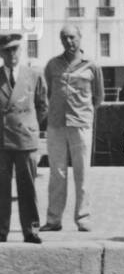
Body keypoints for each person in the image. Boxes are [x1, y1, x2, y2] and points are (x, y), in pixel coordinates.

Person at [42, 24, 103, 232]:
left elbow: (98, 96)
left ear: (80, 38)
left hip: (81, 123)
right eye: (65, 38)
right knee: (57, 173)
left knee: (83, 173)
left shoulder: (91, 65)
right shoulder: (52, 65)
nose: (69, 41)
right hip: (56, 124)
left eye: (72, 37)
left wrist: (83, 112)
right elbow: (49, 92)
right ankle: (53, 219)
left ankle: (83, 217)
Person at [0, 32, 47, 243]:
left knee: (27, 186)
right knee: (1, 187)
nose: (12, 54)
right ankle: (1, 231)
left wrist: (30, 125)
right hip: (2, 140)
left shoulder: (34, 75)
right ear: (1, 53)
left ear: (21, 50)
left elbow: (42, 106)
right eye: (7, 50)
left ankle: (31, 229)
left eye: (15, 49)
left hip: (25, 139)